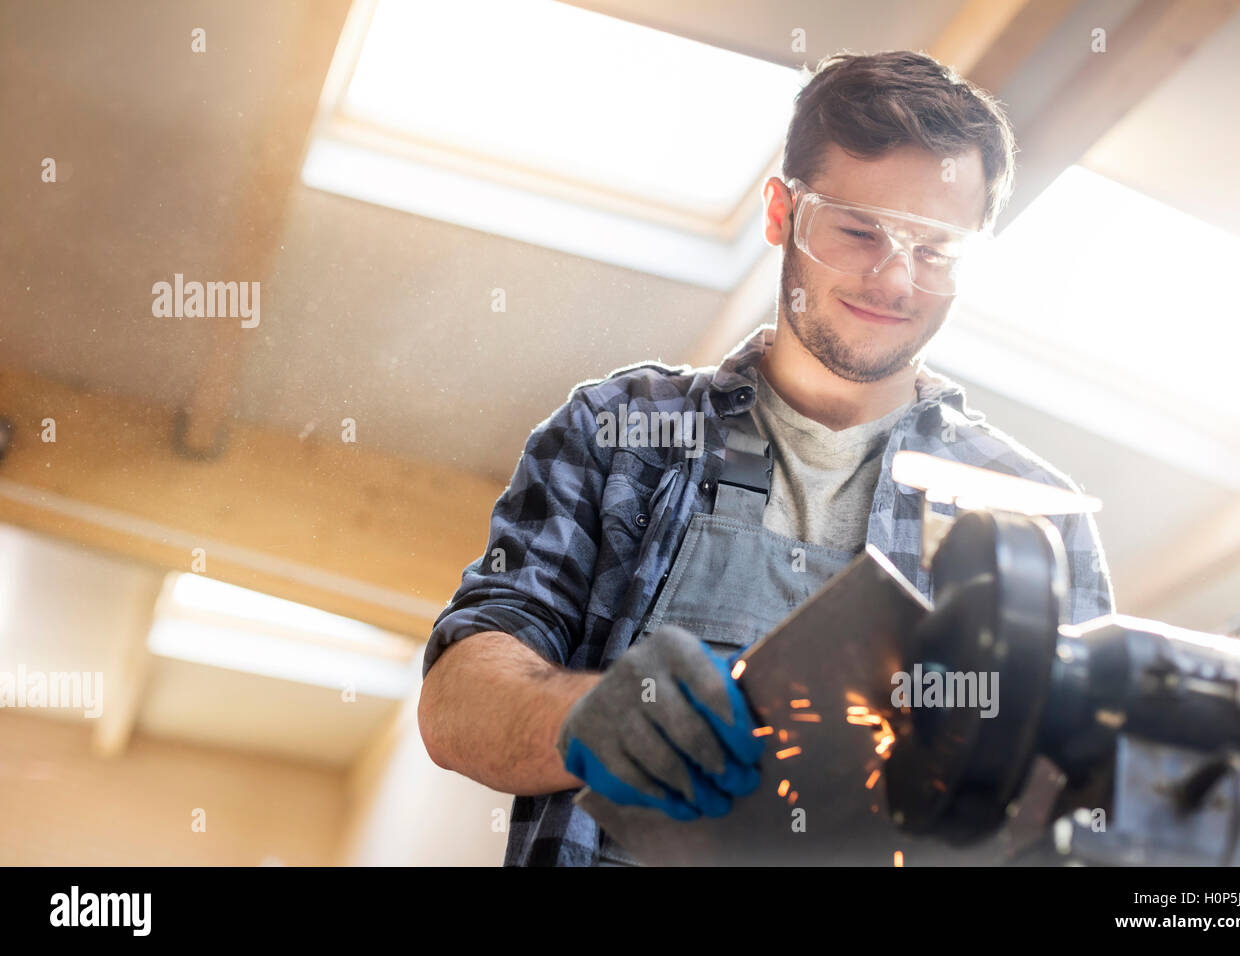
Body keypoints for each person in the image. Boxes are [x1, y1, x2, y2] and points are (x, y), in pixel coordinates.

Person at [417, 50, 1115, 867]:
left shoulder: (1032, 517)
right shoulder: (618, 431)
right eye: (859, 230)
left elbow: (1094, 807)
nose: (895, 280)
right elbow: (457, 699)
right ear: (782, 212)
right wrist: (580, 716)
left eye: (937, 251)